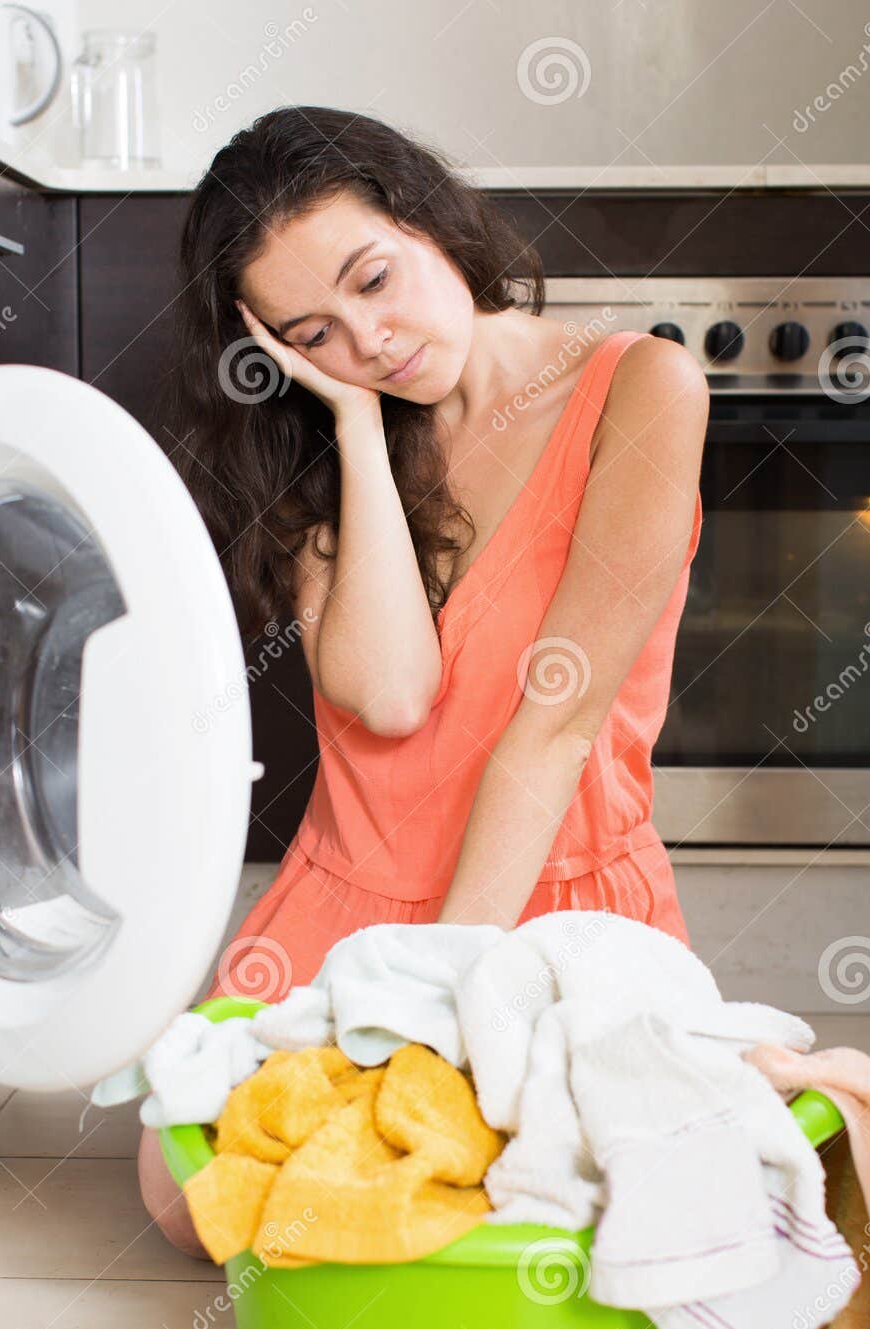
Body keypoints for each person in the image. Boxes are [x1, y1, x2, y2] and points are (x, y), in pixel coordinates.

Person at [139, 105, 709, 1258]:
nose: (372, 340)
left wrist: (443, 1003)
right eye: (318, 329)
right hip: (352, 893)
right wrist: (352, 429)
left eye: (376, 279)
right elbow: (391, 697)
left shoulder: (641, 387)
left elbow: (548, 737)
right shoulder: (319, 446)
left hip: (542, 894)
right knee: (184, 1197)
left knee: (519, 1206)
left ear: (428, 219)